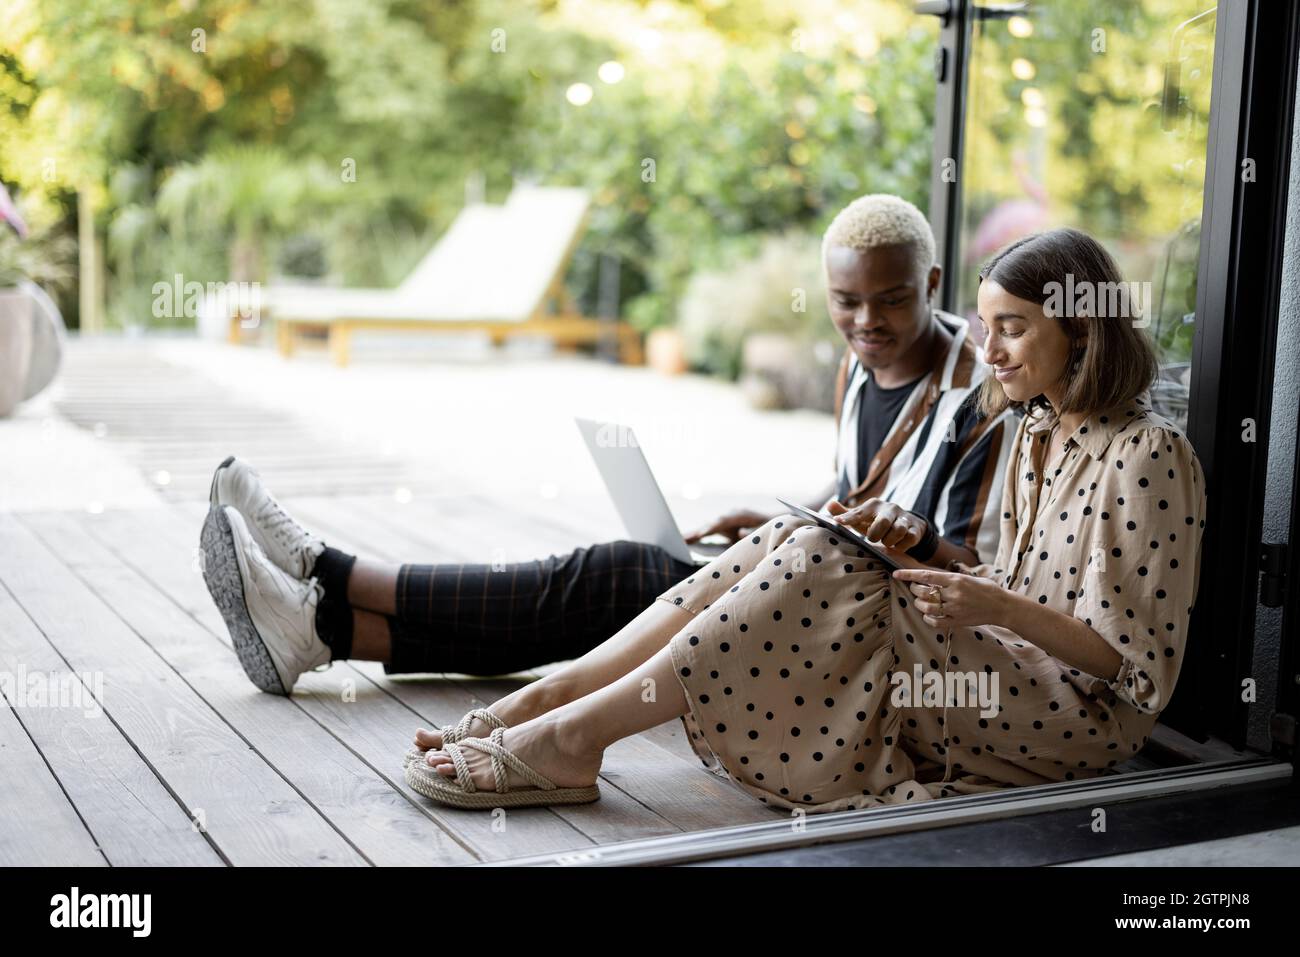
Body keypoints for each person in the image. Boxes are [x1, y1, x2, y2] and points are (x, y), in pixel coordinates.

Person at [389, 226, 1209, 813]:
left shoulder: (1149, 456)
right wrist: (928, 548)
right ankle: (558, 696)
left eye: (1014, 328)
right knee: (795, 533)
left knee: (823, 554)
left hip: (1072, 717)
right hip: (1005, 664)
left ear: (1081, 325)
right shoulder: (1042, 431)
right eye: (988, 325)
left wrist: (989, 605)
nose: (990, 350)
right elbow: (1012, 584)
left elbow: (1134, 672)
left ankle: (571, 736)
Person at [201, 194, 1017, 738]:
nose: (865, 321)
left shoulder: (976, 393)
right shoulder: (858, 366)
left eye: (891, 300)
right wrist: (776, 520)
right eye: (846, 301)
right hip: (804, 577)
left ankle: (329, 573)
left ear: (933, 283)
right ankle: (323, 628)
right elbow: (857, 497)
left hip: (861, 637)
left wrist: (816, 544)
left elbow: (959, 564)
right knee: (596, 600)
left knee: (622, 579)